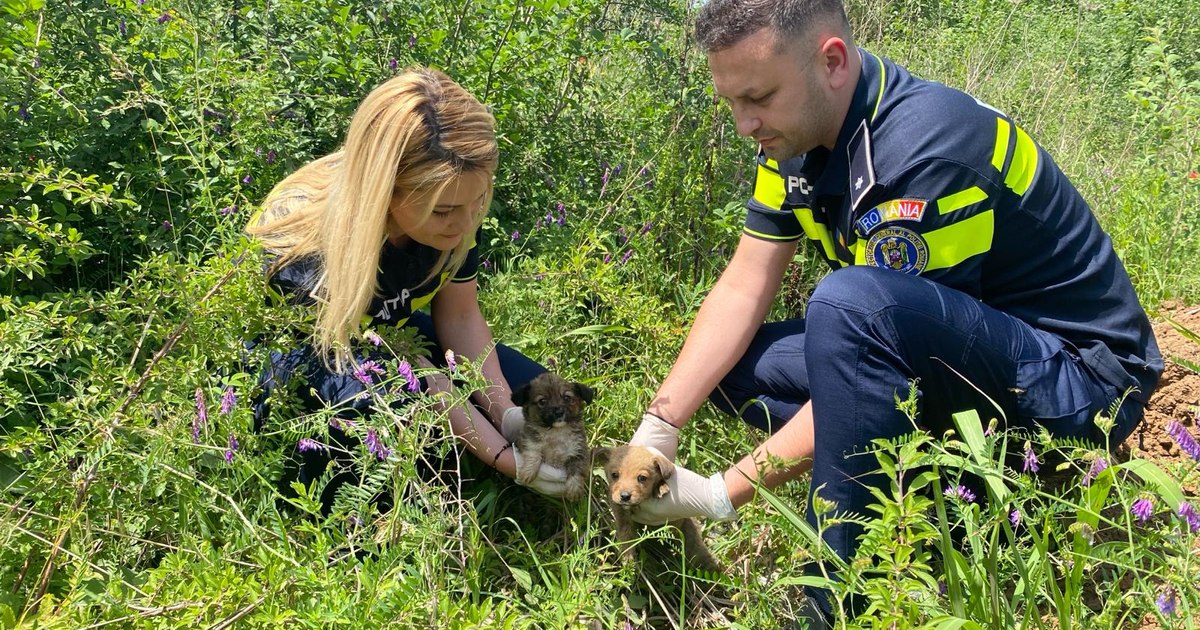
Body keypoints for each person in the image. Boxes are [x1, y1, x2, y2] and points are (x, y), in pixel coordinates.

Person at [623, 0, 1163, 622]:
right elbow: (745, 282)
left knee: (849, 306)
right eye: (733, 103)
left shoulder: (921, 156)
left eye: (759, 97)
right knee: (737, 365)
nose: (745, 124)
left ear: (832, 61)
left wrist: (721, 493)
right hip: (969, 351)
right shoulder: (793, 136)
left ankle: (841, 602)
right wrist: (658, 429)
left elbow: (874, 352)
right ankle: (927, 485)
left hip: (1082, 380)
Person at [246, 67, 568, 511]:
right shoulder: (304, 234)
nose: (465, 223)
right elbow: (387, 361)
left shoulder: (456, 210)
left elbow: (459, 317)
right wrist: (498, 455)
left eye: (477, 202)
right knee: (386, 412)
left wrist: (509, 414)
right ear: (386, 189)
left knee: (541, 394)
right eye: (444, 212)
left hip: (390, 335)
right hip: (309, 355)